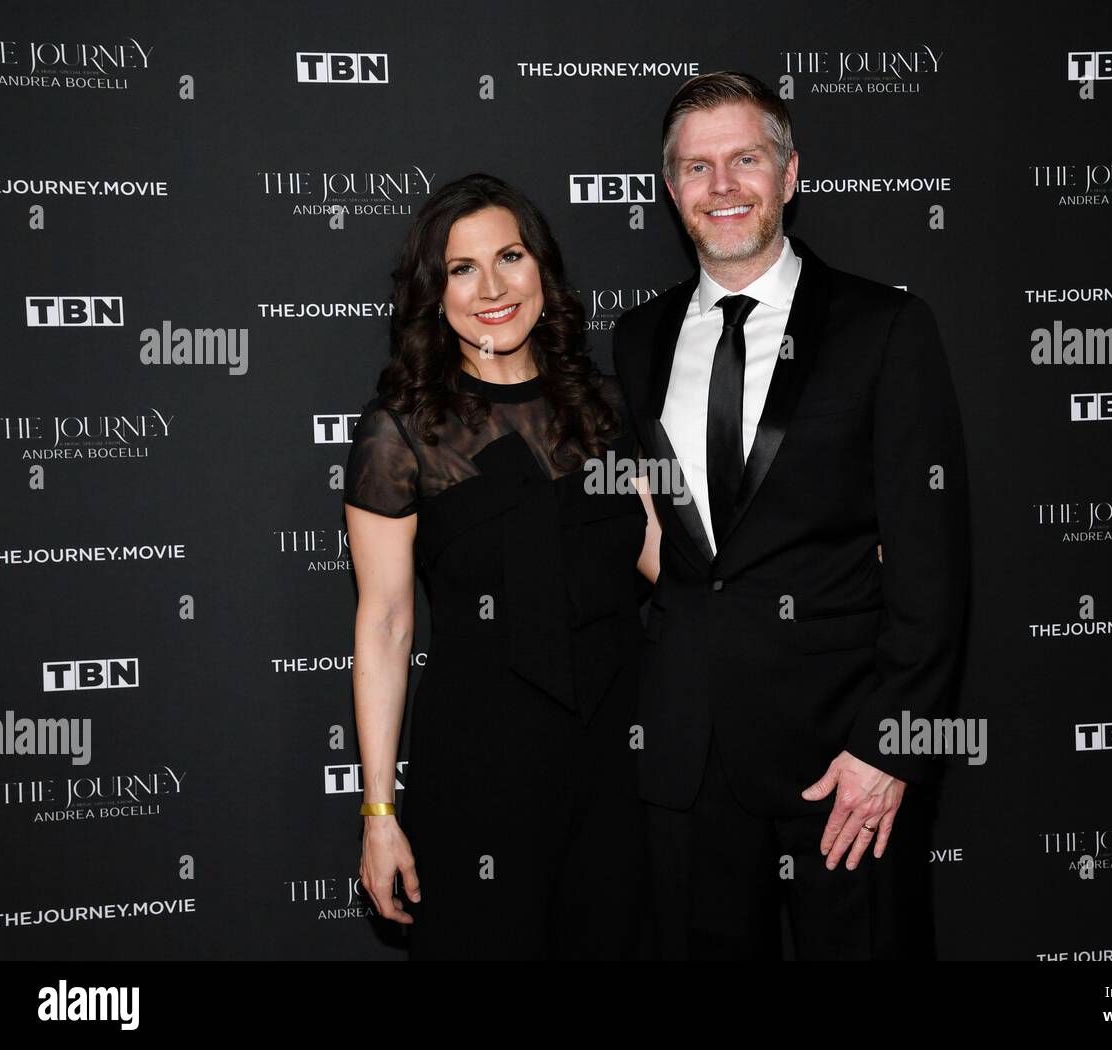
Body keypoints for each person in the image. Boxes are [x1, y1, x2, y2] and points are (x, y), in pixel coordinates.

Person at [611, 71, 971, 960]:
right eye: (697, 167)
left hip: (841, 764)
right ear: (671, 189)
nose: (722, 186)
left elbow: (933, 567)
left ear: (790, 173)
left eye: (746, 160)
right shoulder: (640, 338)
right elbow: (669, 543)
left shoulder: (884, 327)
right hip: (690, 765)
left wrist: (889, 749)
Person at [343, 172, 661, 959]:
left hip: (621, 769)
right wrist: (379, 817)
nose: (492, 286)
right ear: (435, 291)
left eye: (510, 256)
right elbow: (384, 623)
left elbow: (670, 561)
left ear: (542, 269)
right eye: (462, 268)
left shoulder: (610, 409)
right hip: (482, 773)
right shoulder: (406, 431)